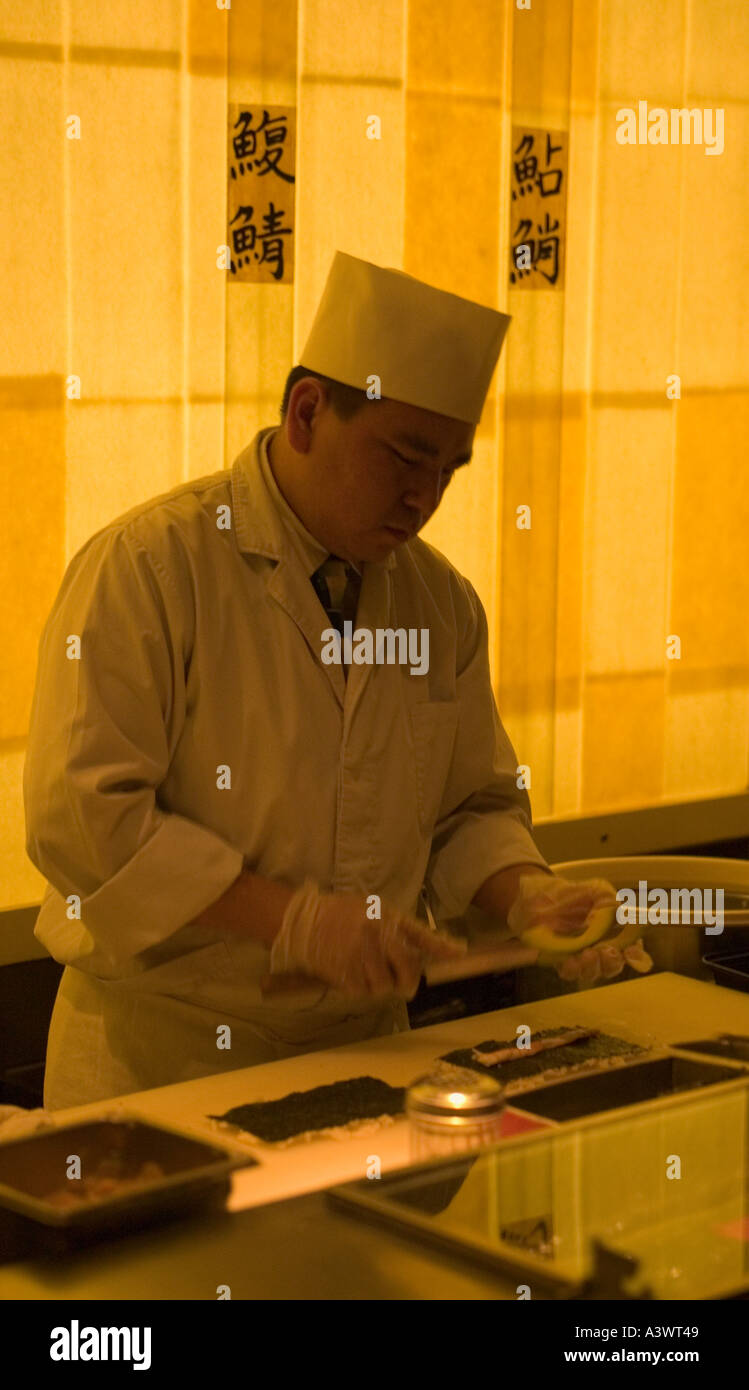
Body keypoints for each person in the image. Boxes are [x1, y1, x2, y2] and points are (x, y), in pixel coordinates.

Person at [24, 252, 637, 1110]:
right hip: (159, 1060)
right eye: (403, 458)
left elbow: (470, 808)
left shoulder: (438, 601)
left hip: (366, 1059)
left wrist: (527, 893)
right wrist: (295, 922)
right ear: (307, 411)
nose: (424, 497)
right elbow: (85, 821)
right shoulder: (151, 567)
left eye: (449, 470)